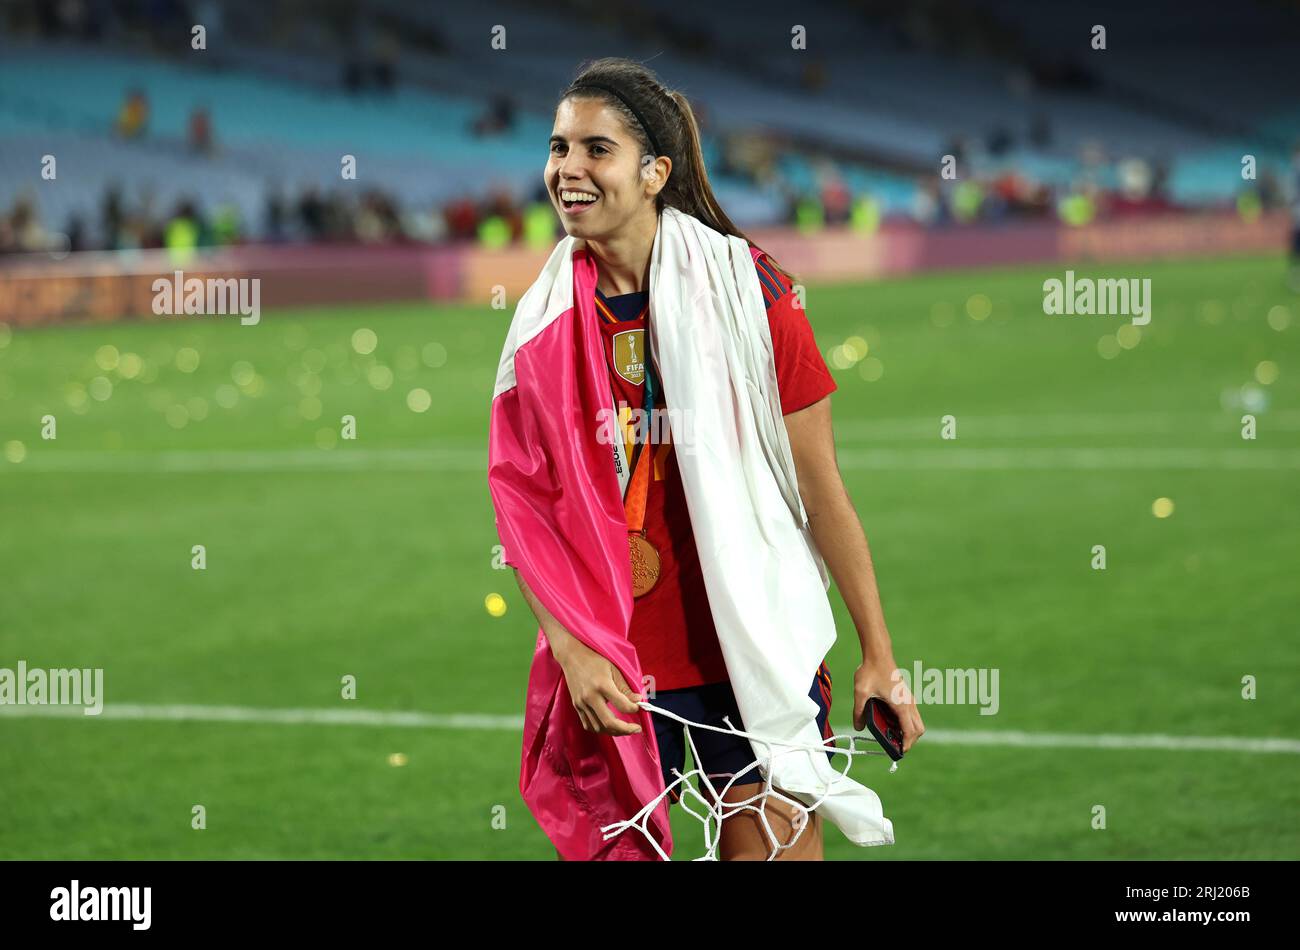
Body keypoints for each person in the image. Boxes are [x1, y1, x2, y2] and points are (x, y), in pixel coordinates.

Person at [491, 57, 923, 861]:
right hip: (614, 660)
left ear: (655, 172)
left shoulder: (752, 293)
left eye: (595, 149)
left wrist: (879, 653)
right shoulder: (539, 328)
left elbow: (819, 488)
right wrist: (573, 650)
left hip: (746, 639)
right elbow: (526, 514)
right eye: (558, 148)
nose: (567, 171)